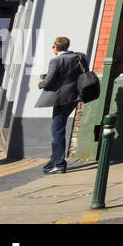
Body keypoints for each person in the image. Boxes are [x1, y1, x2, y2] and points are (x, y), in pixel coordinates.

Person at [35, 36, 85, 174]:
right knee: (58, 128)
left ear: (55, 48)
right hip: (75, 96)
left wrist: (41, 82)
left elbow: (48, 81)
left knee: (57, 131)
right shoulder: (78, 57)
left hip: (61, 99)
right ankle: (54, 159)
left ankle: (59, 164)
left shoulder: (56, 60)